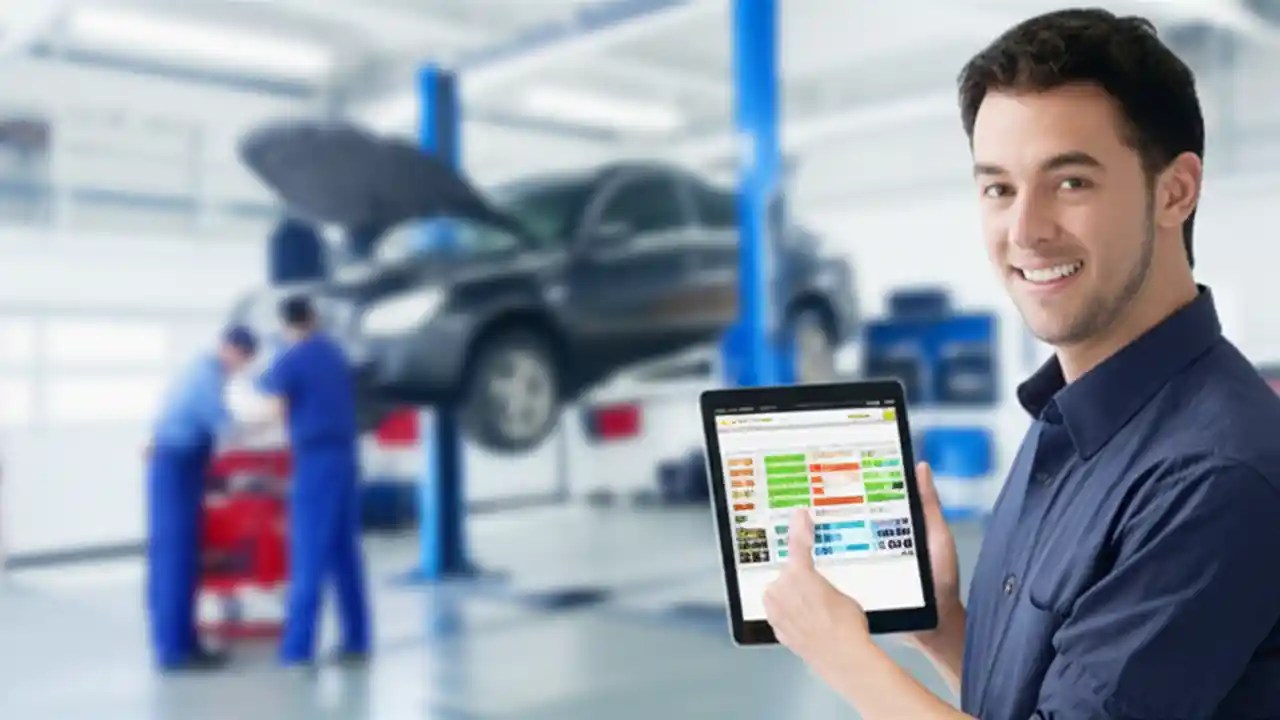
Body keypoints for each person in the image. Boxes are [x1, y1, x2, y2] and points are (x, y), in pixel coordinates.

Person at [763, 9, 1280, 719]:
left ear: (1175, 191)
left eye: (1070, 182)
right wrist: (944, 628)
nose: (1026, 231)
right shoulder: (1067, 419)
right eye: (999, 188)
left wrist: (841, 655)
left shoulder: (1215, 475)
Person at [260, 295, 370, 666]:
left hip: (315, 463)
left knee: (307, 554)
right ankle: (357, 641)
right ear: (315, 317)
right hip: (347, 459)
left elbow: (274, 408)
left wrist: (241, 427)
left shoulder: (292, 358)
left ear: (287, 324)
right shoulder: (336, 354)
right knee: (345, 555)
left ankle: (297, 649)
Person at [147, 325, 258, 671]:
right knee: (177, 560)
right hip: (177, 467)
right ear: (233, 350)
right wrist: (261, 425)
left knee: (181, 558)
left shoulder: (201, 368)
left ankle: (184, 643)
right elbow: (223, 425)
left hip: (180, 465)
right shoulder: (206, 377)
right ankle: (175, 651)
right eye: (243, 361)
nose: (241, 369)